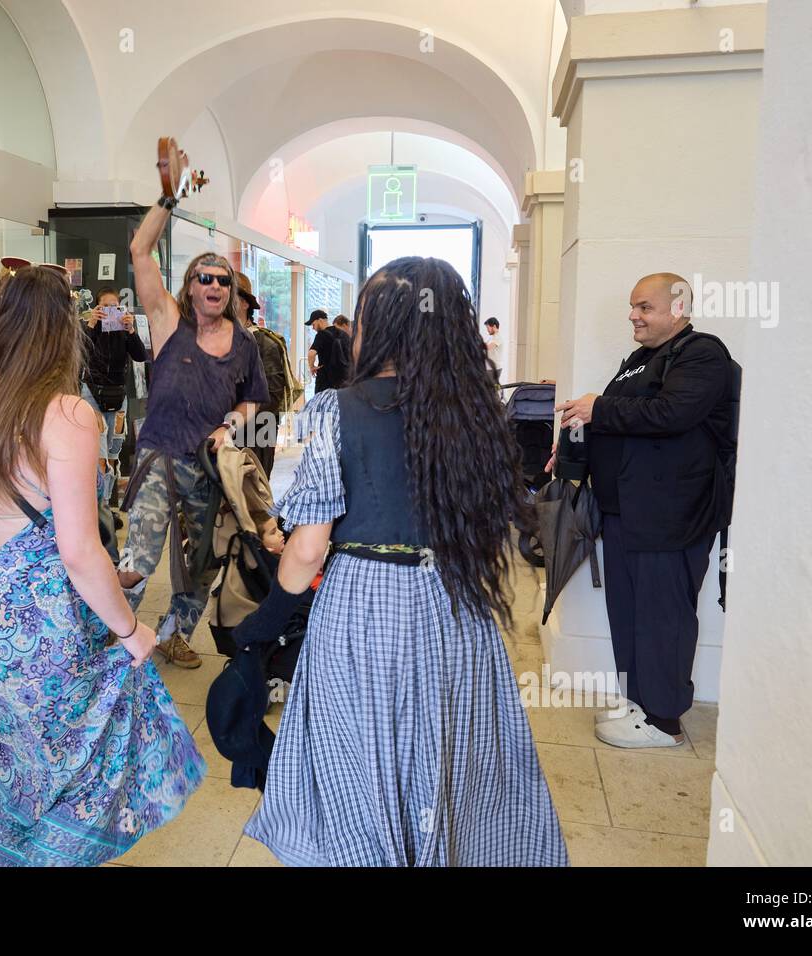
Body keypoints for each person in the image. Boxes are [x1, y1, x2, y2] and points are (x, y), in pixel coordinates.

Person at [234, 257, 567, 866]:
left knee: (361, 757)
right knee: (445, 758)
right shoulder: (475, 412)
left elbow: (308, 546)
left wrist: (266, 621)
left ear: (377, 326)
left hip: (364, 605)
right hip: (455, 605)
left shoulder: (341, 409)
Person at [0, 265, 204, 866]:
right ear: (64, 333)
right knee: (69, 784)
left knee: (13, 783)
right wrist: (129, 630)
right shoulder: (66, 415)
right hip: (41, 635)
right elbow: (80, 550)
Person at [554, 272, 735, 748]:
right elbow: (620, 421)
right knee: (629, 611)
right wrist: (576, 446)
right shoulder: (642, 359)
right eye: (632, 307)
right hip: (626, 512)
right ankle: (639, 702)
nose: (633, 316)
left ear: (677, 309)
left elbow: (672, 414)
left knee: (663, 616)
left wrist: (599, 409)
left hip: (670, 515)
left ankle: (664, 720)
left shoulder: (702, 354)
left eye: (644, 308)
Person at [120, 152, 270, 670]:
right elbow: (140, 248)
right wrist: (169, 196)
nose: (213, 286)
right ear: (189, 286)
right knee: (138, 560)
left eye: (222, 281)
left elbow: (253, 398)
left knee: (202, 564)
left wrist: (231, 425)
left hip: (207, 469)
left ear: (231, 293)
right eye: (204, 278)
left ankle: (173, 634)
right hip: (160, 457)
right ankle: (116, 636)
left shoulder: (245, 345)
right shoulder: (166, 320)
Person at [80, 286, 147, 516]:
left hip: (118, 394)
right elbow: (79, 355)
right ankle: (100, 507)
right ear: (97, 308)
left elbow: (140, 355)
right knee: (98, 452)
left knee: (113, 450)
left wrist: (130, 330)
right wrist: (91, 325)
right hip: (92, 392)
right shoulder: (89, 328)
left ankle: (107, 505)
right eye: (104, 307)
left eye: (114, 307)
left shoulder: (124, 330)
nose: (110, 312)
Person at [237, 272, 297, 475]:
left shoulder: (265, 343)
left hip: (252, 439)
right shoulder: (210, 342)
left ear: (245, 303)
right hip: (218, 439)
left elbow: (271, 398)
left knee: (251, 501)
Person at [306, 309, 349, 392]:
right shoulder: (344, 334)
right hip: (343, 381)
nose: (313, 328)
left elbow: (311, 353)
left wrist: (312, 367)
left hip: (325, 381)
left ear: (320, 320)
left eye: (313, 324)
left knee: (321, 404)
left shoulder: (321, 335)